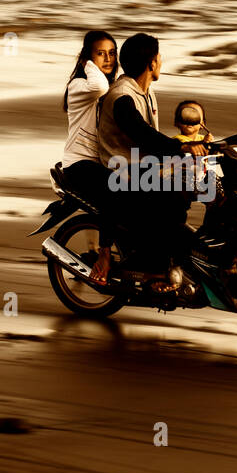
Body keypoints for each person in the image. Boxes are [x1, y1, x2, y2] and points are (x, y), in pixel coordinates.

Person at [97, 34, 206, 291]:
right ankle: (152, 267)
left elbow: (152, 140)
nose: (160, 61)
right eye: (158, 57)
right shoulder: (122, 97)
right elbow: (141, 133)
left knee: (198, 186)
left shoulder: (143, 92)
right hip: (121, 174)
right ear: (151, 64)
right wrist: (180, 147)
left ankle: (179, 255)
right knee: (171, 197)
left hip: (142, 168)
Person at [61, 30, 117, 283]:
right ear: (87, 57)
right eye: (100, 54)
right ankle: (104, 255)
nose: (107, 59)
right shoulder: (80, 86)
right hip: (78, 165)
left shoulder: (110, 89)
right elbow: (99, 84)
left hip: (100, 163)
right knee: (114, 189)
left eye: (112, 54)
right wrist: (89, 65)